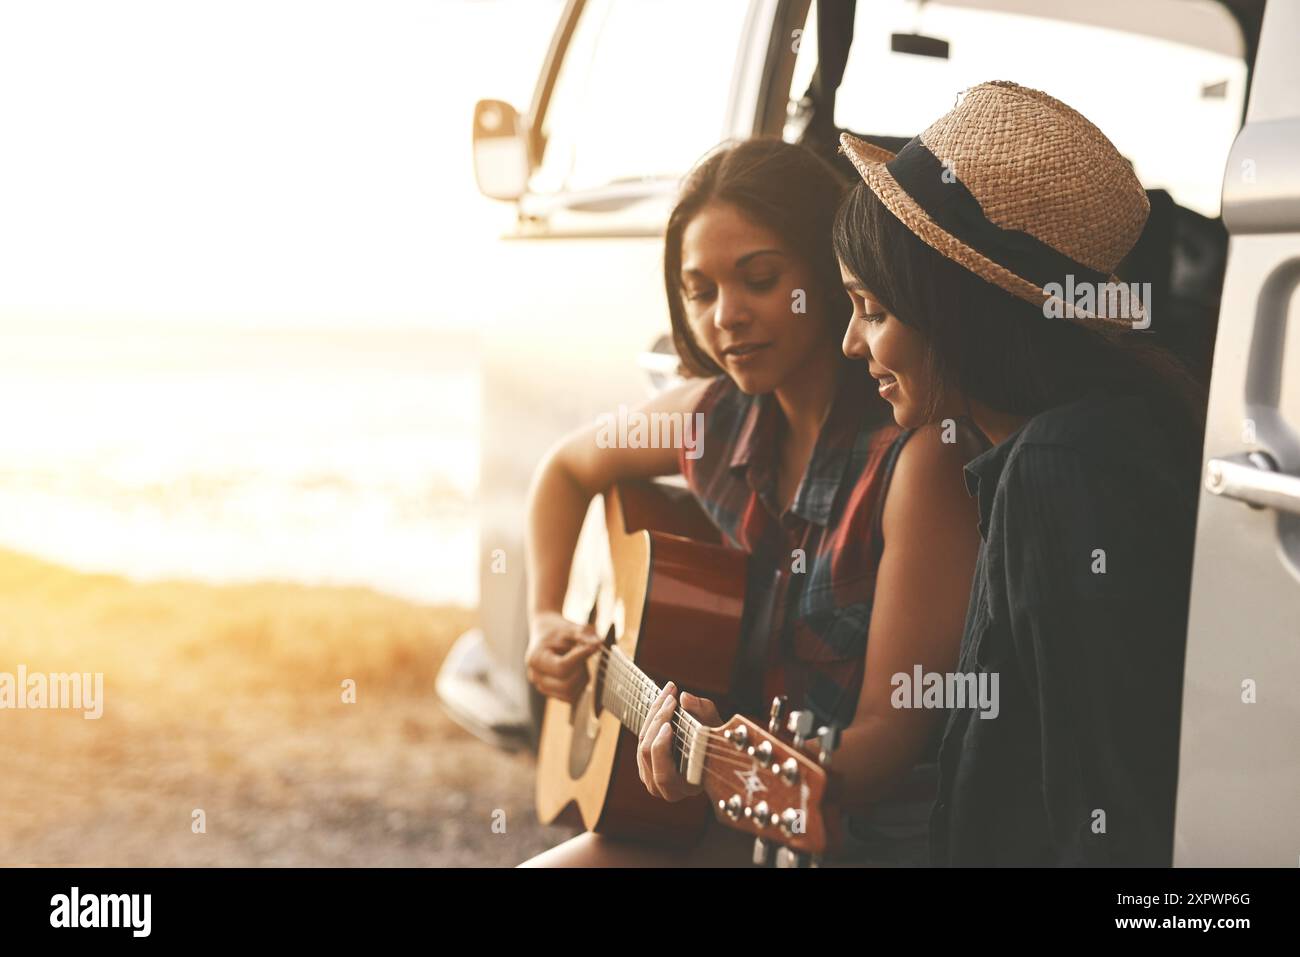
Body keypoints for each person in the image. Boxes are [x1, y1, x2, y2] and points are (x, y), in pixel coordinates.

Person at [519, 137, 980, 867]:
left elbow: (888, 738)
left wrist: (715, 766)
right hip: (732, 815)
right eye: (700, 292)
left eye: (759, 279)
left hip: (855, 836)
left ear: (827, 275)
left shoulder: (915, 461)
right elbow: (564, 471)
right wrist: (546, 617)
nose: (726, 316)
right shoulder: (706, 418)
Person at [833, 80, 1205, 866]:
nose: (850, 344)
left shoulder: (1058, 471)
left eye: (872, 309)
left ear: (949, 305)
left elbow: (1111, 824)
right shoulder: (1095, 439)